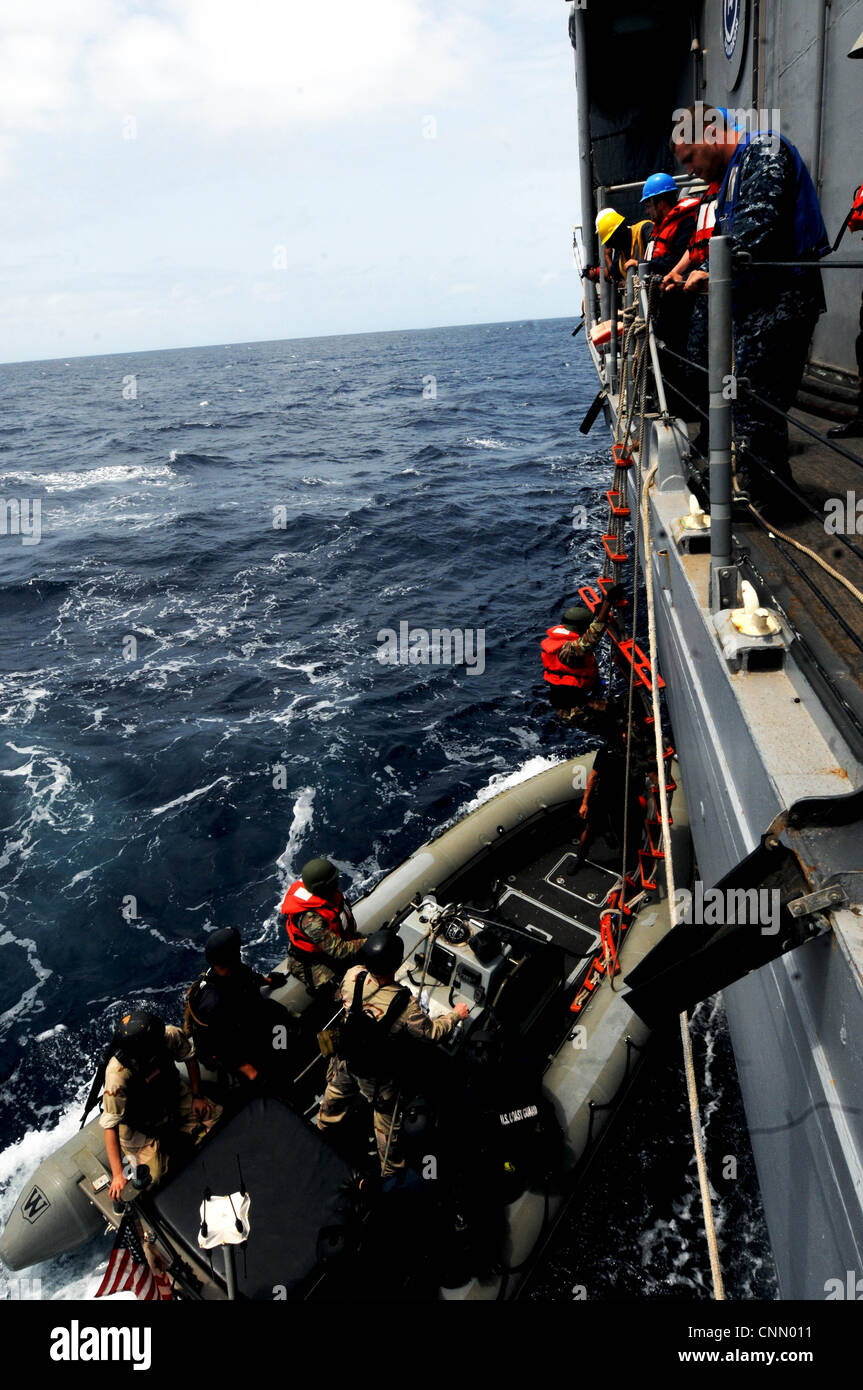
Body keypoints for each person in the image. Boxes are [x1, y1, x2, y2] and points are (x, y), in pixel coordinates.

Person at [672, 102, 830, 517]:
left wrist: (709, 269)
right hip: (759, 304)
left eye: (690, 158)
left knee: (757, 402)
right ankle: (768, 495)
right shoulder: (734, 174)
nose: (690, 171)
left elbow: (760, 220)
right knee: (750, 401)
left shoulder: (763, 150)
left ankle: (776, 506)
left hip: (782, 299)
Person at [316, 930, 468, 1179]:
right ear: (395, 964)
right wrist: (455, 1015)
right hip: (376, 1075)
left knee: (335, 1092)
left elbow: (344, 1000)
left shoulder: (353, 974)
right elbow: (431, 1034)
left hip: (346, 1056)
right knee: (387, 1123)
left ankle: (321, 1128)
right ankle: (390, 1172)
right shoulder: (405, 1005)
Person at [99, 1009, 221, 1202]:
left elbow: (189, 1057)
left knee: (215, 1118)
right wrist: (117, 1175)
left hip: (170, 1096)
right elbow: (110, 1126)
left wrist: (197, 1096)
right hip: (138, 1123)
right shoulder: (117, 1075)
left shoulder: (168, 1035)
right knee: (151, 1180)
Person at [183, 926, 294, 1090]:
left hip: (241, 1020)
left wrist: (269, 981)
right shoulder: (213, 1002)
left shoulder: (231, 969)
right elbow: (218, 1046)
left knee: (279, 1015)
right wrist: (248, 1070)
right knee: (260, 1073)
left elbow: (248, 976)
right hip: (227, 1044)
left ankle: (282, 1051)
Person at [279, 856, 365, 993]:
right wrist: (367, 943)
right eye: (334, 880)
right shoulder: (310, 920)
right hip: (313, 962)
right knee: (343, 991)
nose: (338, 881)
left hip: (334, 946)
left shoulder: (326, 894)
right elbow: (339, 950)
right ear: (322, 887)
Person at [541, 584, 625, 723]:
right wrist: (607, 603)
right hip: (574, 710)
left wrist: (599, 613)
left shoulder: (560, 639)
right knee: (619, 719)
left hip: (578, 697)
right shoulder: (569, 651)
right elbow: (591, 637)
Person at [594, 208, 654, 284]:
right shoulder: (620, 256)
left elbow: (660, 259)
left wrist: (638, 263)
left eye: (609, 242)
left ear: (618, 234)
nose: (610, 246)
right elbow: (615, 273)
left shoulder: (644, 229)